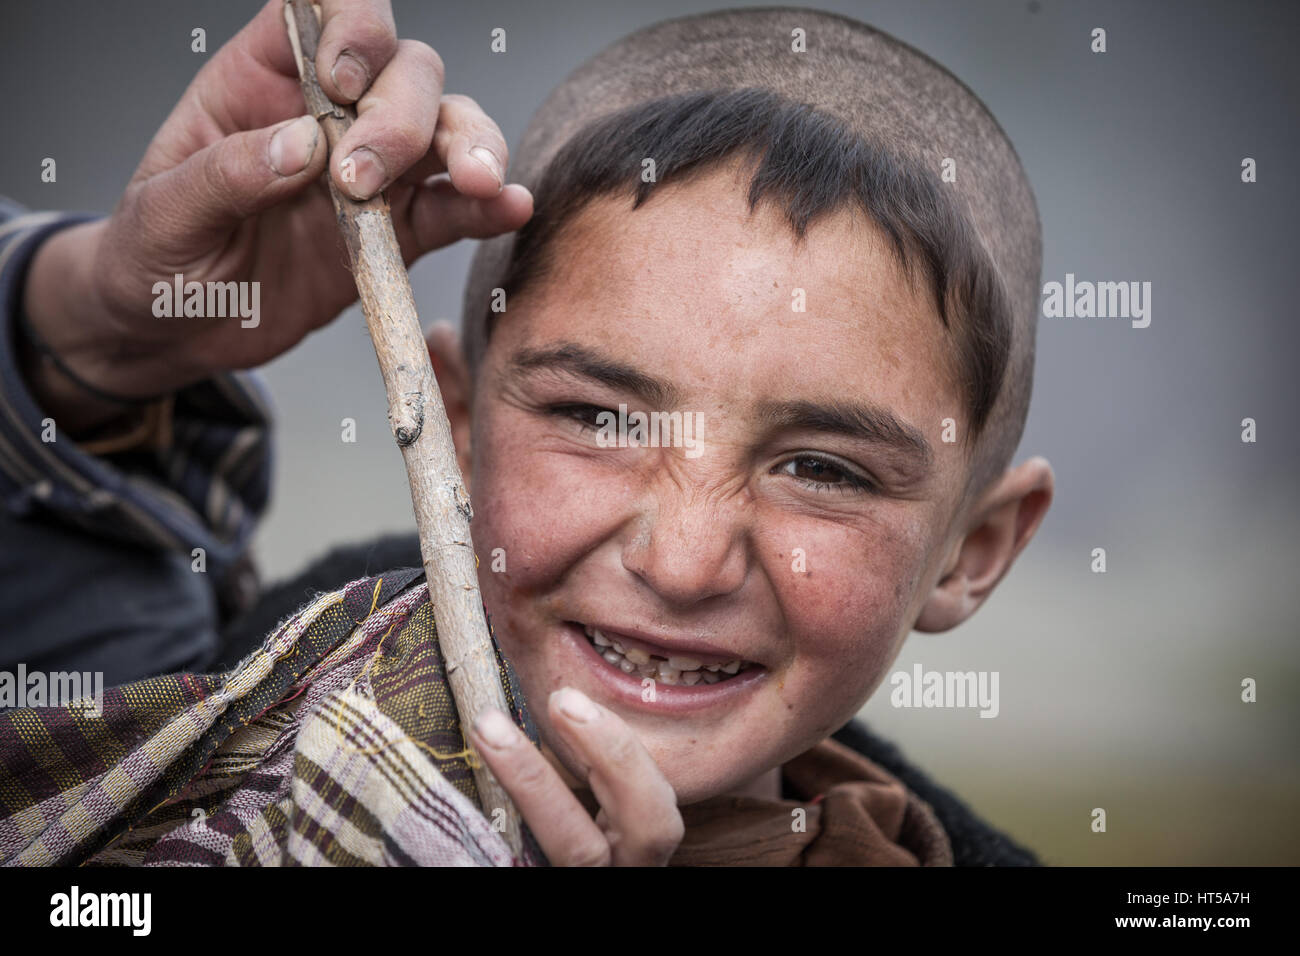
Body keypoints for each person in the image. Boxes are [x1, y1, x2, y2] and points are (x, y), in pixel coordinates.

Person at [0, 1, 1052, 866]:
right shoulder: (242, 742)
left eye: (821, 467)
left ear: (974, 549)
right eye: (597, 417)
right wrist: (98, 342)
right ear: (454, 418)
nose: (682, 563)